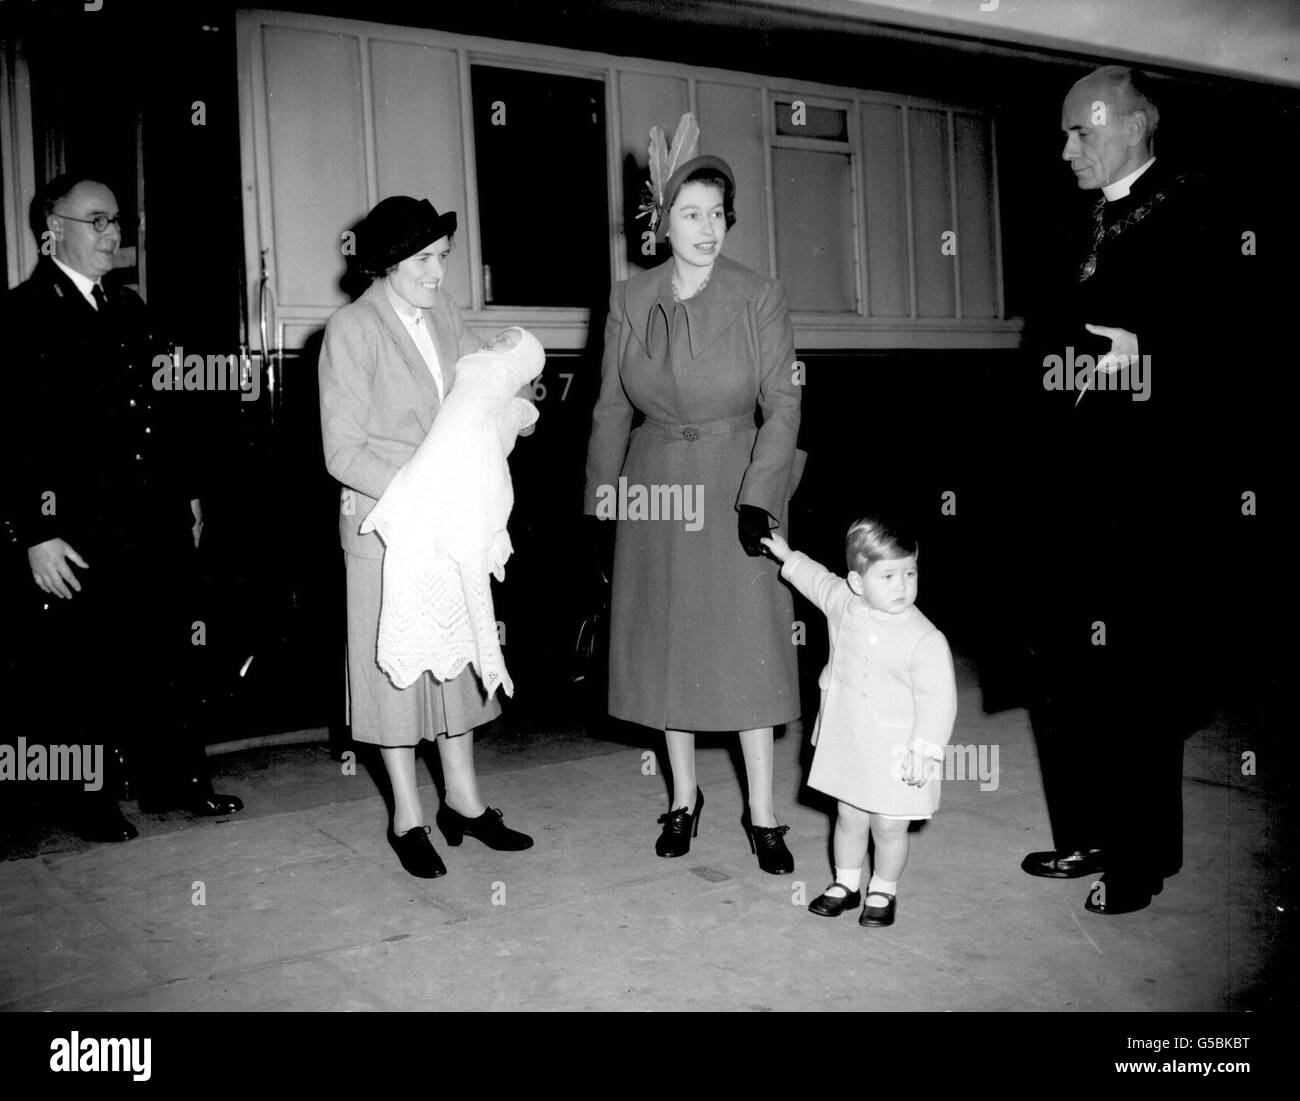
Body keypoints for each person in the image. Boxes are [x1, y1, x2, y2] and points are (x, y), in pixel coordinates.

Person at [1019, 66, 1216, 915]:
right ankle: (1088, 831)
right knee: (1068, 667)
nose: (1066, 149)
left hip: (1147, 489)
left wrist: (1153, 360)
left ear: (1136, 125)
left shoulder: (1195, 212)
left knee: (1136, 674)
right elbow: (1044, 345)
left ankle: (1141, 859)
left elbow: (1238, 347)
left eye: (1082, 131)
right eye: (1065, 134)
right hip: (1069, 483)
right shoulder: (1074, 220)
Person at [583, 135, 803, 874]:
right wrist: (601, 501)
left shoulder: (759, 293)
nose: (707, 229)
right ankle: (682, 796)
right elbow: (611, 408)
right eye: (690, 213)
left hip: (736, 478)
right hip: (654, 487)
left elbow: (784, 404)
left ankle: (764, 812)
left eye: (717, 213)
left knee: (747, 652)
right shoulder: (628, 297)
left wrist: (761, 495)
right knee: (668, 650)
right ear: (661, 222)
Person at [2, 173, 242, 842]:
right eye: (98, 220)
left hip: (153, 516)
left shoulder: (130, 309)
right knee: (85, 667)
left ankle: (173, 782)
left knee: (167, 653)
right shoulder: (22, 314)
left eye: (116, 221)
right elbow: (12, 436)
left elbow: (167, 412)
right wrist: (36, 532)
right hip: (79, 526)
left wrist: (188, 491)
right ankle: (88, 801)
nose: (113, 233)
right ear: (53, 227)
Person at [318, 196, 533, 880]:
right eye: (424, 260)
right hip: (388, 520)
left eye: (443, 256)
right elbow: (342, 451)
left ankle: (464, 802)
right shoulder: (351, 330)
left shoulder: (444, 313)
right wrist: (426, 484)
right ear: (384, 264)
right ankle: (408, 814)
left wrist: (518, 407)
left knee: (460, 652)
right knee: (395, 669)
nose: (439, 272)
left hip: (449, 517)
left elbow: (481, 391)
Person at [762, 520, 956, 927]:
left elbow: (939, 701)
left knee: (888, 825)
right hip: (849, 739)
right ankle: (846, 884)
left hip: (897, 752)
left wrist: (925, 750)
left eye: (910, 573)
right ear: (856, 581)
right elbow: (816, 579)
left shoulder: (925, 638)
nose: (902, 586)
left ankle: (884, 888)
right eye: (888, 576)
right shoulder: (844, 603)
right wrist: (786, 555)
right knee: (848, 815)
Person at [360, 326, 544, 699]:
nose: (492, 342)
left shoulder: (483, 357)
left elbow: (510, 377)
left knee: (464, 548)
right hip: (424, 475)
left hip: (461, 469)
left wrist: (523, 405)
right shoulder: (364, 327)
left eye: (502, 341)